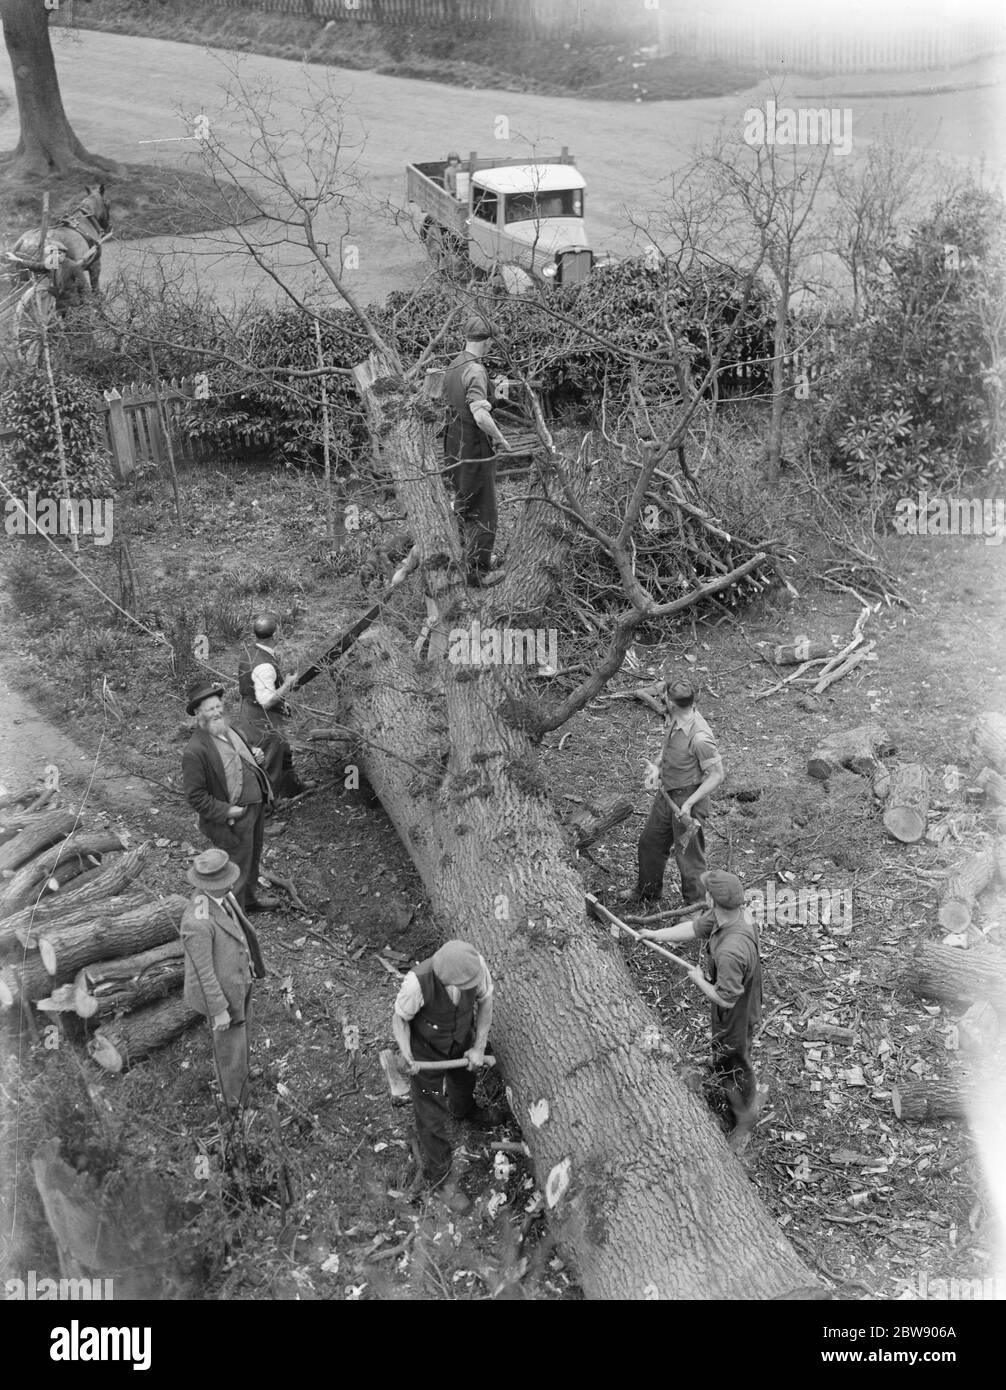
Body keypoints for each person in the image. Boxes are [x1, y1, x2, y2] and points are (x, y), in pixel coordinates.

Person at [638, 869, 762, 1151]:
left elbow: (727, 999)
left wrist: (698, 980)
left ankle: (743, 1122)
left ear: (710, 899)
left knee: (736, 1059)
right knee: (725, 1052)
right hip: (733, 1004)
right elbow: (696, 928)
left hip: (736, 1011)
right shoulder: (731, 914)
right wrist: (655, 933)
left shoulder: (731, 950)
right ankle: (721, 1072)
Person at [392, 939, 497, 1215]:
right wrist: (407, 1056)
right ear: (448, 979)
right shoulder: (417, 983)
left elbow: (486, 1002)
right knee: (430, 1112)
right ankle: (441, 1181)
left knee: (464, 1083)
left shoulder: (476, 967)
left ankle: (463, 1110)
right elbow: (400, 1020)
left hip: (461, 1044)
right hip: (426, 1054)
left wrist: (478, 1047)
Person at [619, 670, 724, 906]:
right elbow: (668, 746)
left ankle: (696, 910)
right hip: (666, 795)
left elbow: (717, 776)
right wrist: (657, 767)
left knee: (689, 857)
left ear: (670, 702)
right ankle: (647, 892)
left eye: (664, 696)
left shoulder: (700, 738)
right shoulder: (676, 717)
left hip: (688, 802)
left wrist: (687, 805)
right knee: (650, 843)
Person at [180, 847, 266, 1114]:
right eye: (224, 879)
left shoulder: (222, 898)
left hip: (240, 982)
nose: (231, 882)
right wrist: (217, 1010)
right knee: (229, 1050)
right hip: (223, 996)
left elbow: (239, 932)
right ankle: (235, 1103)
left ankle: (242, 1072)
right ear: (208, 884)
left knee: (242, 1035)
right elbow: (201, 973)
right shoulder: (196, 922)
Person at [181, 680, 279, 912]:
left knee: (253, 858)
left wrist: (256, 757)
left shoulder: (230, 729)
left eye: (218, 706)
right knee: (236, 866)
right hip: (234, 817)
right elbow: (195, 797)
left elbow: (241, 757)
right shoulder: (195, 751)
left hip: (255, 806)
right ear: (197, 713)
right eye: (210, 709)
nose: (216, 712)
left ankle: (249, 901)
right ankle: (234, 916)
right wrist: (226, 811)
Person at [443, 315, 513, 586]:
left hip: (453, 443)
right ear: (488, 341)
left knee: (463, 502)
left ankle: (463, 556)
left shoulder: (455, 363)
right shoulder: (475, 370)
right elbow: (480, 415)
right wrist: (500, 437)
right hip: (473, 446)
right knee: (483, 510)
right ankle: (478, 572)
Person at [236, 612, 311, 801]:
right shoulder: (264, 666)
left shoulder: (252, 651)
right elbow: (267, 700)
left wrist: (282, 702)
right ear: (275, 635)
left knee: (283, 750)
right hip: (260, 718)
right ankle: (268, 814)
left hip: (257, 710)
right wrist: (287, 685)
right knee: (269, 761)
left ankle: (292, 787)